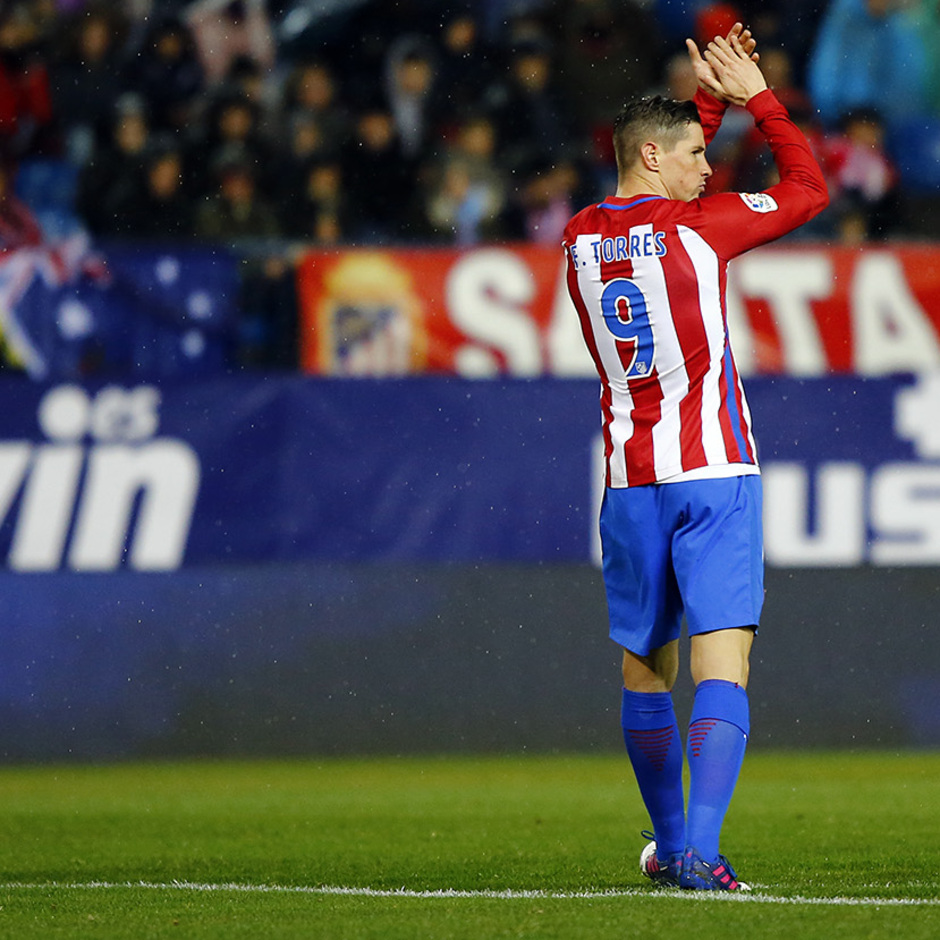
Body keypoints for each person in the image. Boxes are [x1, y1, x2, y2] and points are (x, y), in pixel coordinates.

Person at [562, 26, 828, 891]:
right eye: (697, 156)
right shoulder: (700, 231)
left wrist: (701, 103)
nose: (710, 168)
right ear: (652, 156)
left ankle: (671, 846)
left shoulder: (578, 238)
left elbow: (658, 178)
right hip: (712, 472)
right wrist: (759, 98)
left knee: (646, 666)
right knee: (724, 661)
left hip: (629, 480)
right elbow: (808, 189)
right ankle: (700, 852)